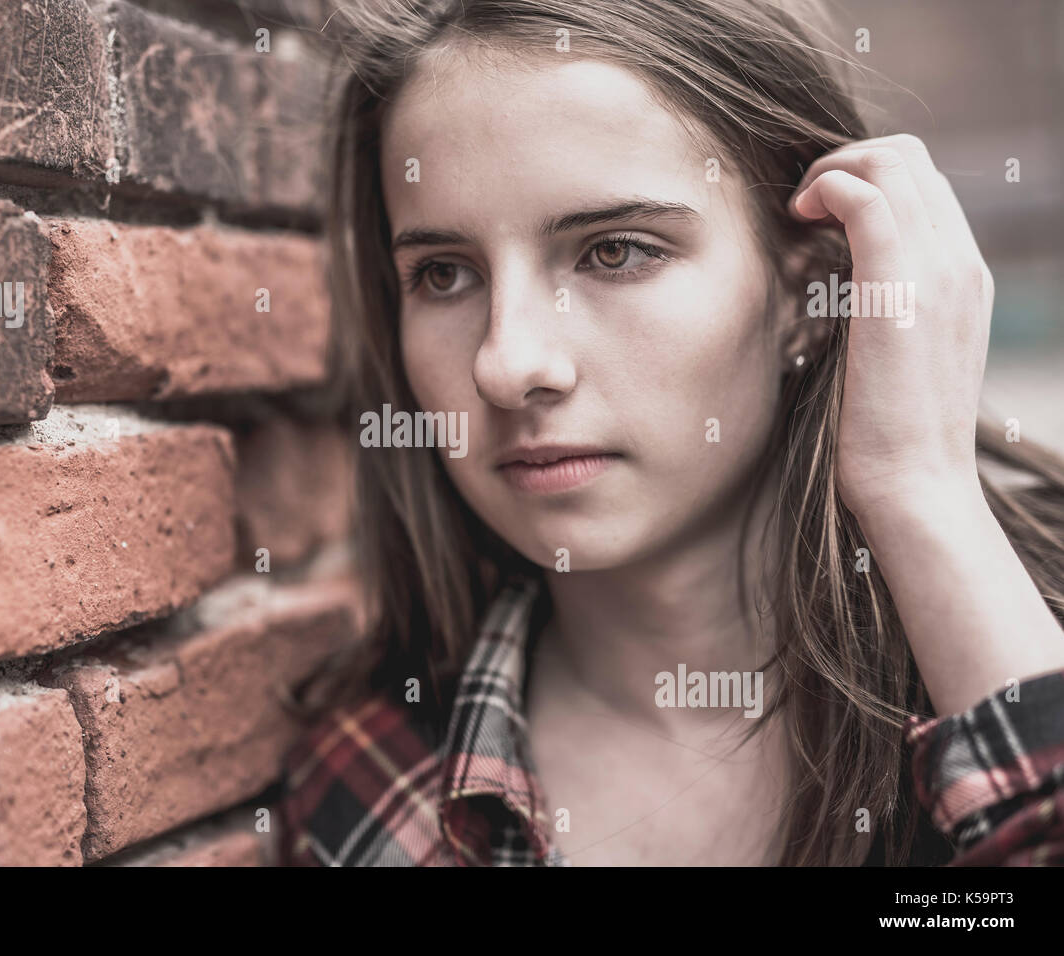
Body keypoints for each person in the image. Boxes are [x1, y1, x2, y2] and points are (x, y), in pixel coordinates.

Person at [274, 0, 1064, 866]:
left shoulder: (1032, 625)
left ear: (808, 289)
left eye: (615, 251)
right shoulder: (371, 795)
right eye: (445, 273)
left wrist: (921, 492)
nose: (507, 364)